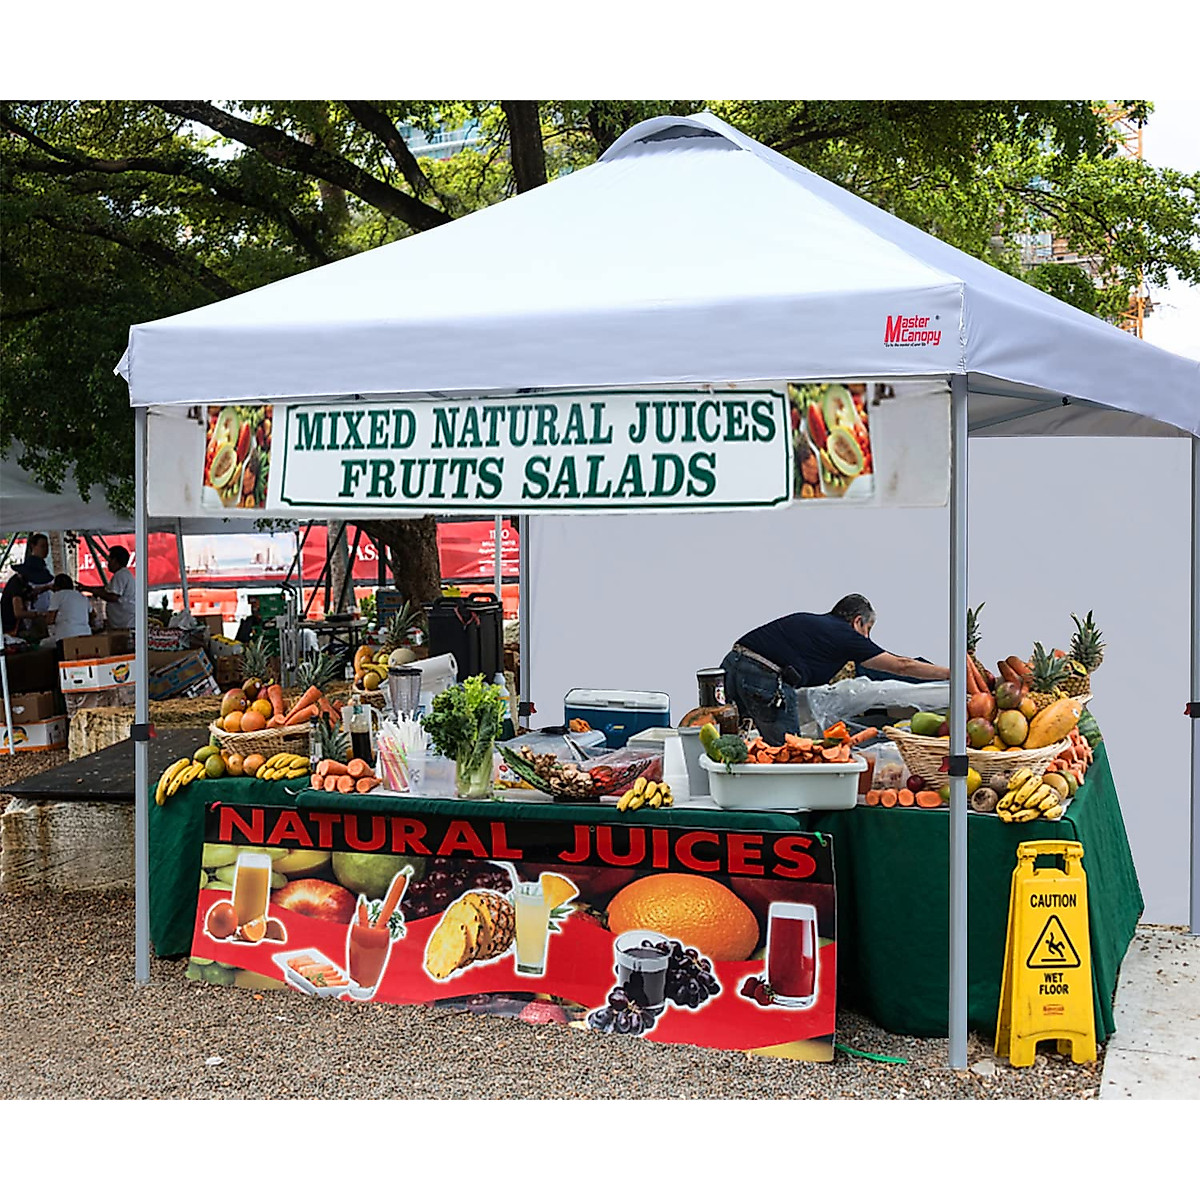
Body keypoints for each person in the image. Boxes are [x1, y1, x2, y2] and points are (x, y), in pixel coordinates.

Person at [720, 594, 950, 743]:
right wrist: (952, 673)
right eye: (868, 629)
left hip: (732, 664)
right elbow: (901, 666)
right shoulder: (845, 635)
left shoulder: (814, 624)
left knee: (727, 740)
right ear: (857, 621)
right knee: (787, 752)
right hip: (765, 677)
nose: (868, 638)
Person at [80, 545, 136, 631]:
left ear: (115, 560)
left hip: (125, 623)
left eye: (109, 560)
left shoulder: (120, 575)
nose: (108, 563)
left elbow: (112, 596)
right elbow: (106, 590)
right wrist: (87, 588)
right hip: (123, 623)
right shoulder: (123, 574)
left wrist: (94, 591)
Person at [44, 574, 94, 643]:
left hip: (66, 635)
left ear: (56, 586)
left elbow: (50, 620)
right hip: (85, 634)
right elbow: (93, 615)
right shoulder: (82, 596)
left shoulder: (57, 595)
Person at [13, 533, 55, 613]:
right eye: (42, 546)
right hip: (33, 613)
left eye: (47, 546)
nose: (46, 549)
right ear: (33, 546)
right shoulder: (26, 572)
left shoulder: (45, 569)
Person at [2, 573, 36, 642]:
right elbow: (18, 613)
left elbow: (32, 592)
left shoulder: (22, 584)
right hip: (10, 626)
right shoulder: (16, 587)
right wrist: (38, 614)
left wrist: (45, 588)